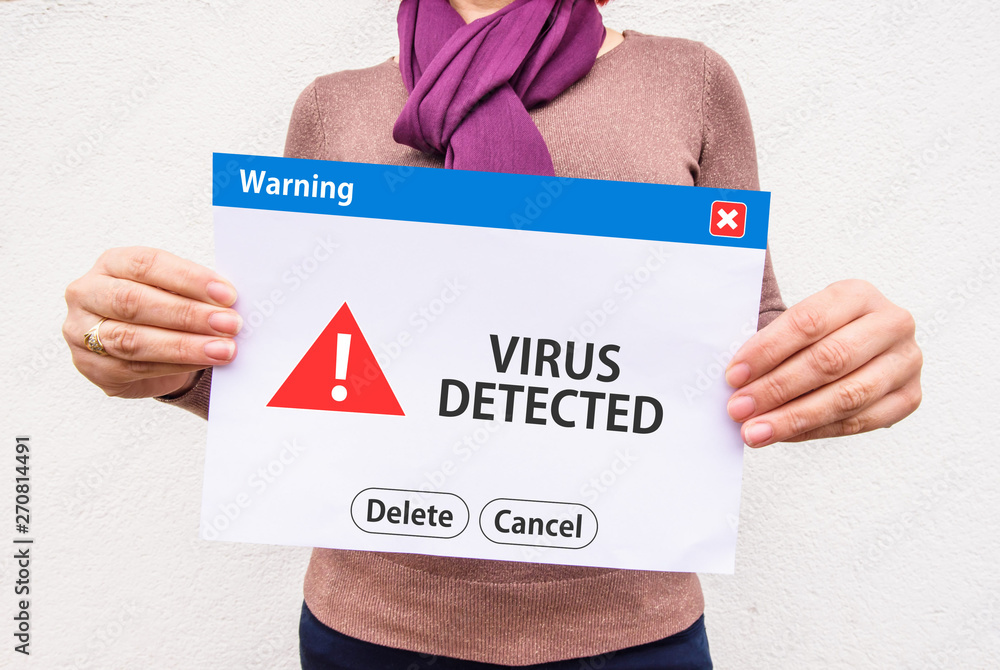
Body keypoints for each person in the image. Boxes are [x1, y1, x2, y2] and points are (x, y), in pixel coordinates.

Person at [62, 0, 923, 667]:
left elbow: (749, 346)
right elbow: (302, 383)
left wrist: (847, 363)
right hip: (370, 629)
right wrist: (154, 354)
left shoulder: (689, 80)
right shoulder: (332, 107)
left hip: (635, 633)